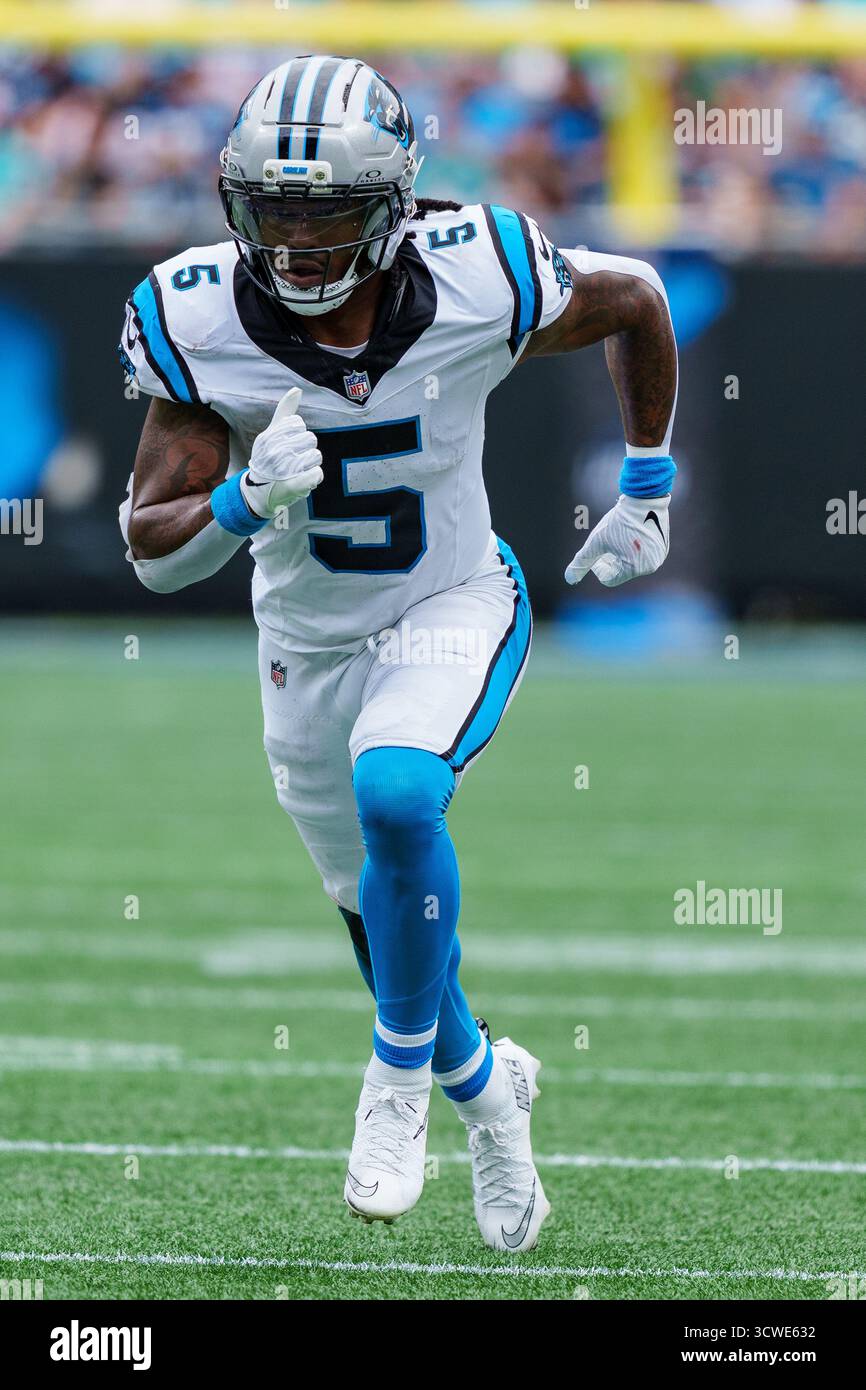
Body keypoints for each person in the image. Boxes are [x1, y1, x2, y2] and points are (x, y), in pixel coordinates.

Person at [118, 55, 678, 1252]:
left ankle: (394, 1084)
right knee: (378, 912)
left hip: (453, 600)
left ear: (390, 207)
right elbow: (150, 553)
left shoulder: (479, 273)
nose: (296, 240)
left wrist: (644, 484)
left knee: (399, 789)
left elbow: (631, 293)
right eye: (273, 210)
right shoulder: (197, 314)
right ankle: (488, 1091)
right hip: (304, 649)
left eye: (323, 212)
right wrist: (237, 504)